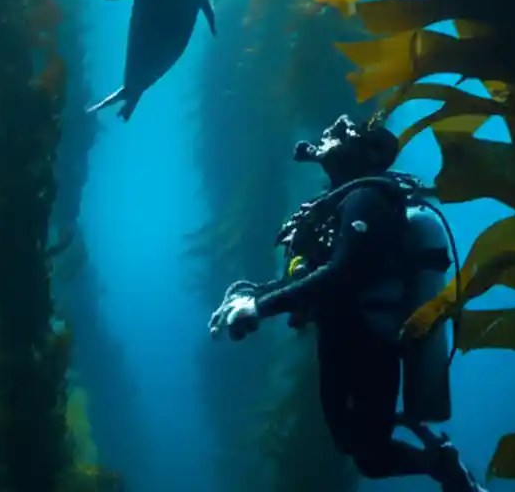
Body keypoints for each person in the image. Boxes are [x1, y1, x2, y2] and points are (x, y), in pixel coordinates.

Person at [207, 114, 486, 492]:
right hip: (344, 336)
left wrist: (260, 308)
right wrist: (254, 294)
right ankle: (439, 464)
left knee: (367, 450)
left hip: (368, 342)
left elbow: (343, 274)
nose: (334, 126)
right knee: (361, 451)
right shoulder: (343, 203)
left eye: (346, 130)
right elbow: (311, 277)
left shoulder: (367, 199)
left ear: (363, 153)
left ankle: (444, 467)